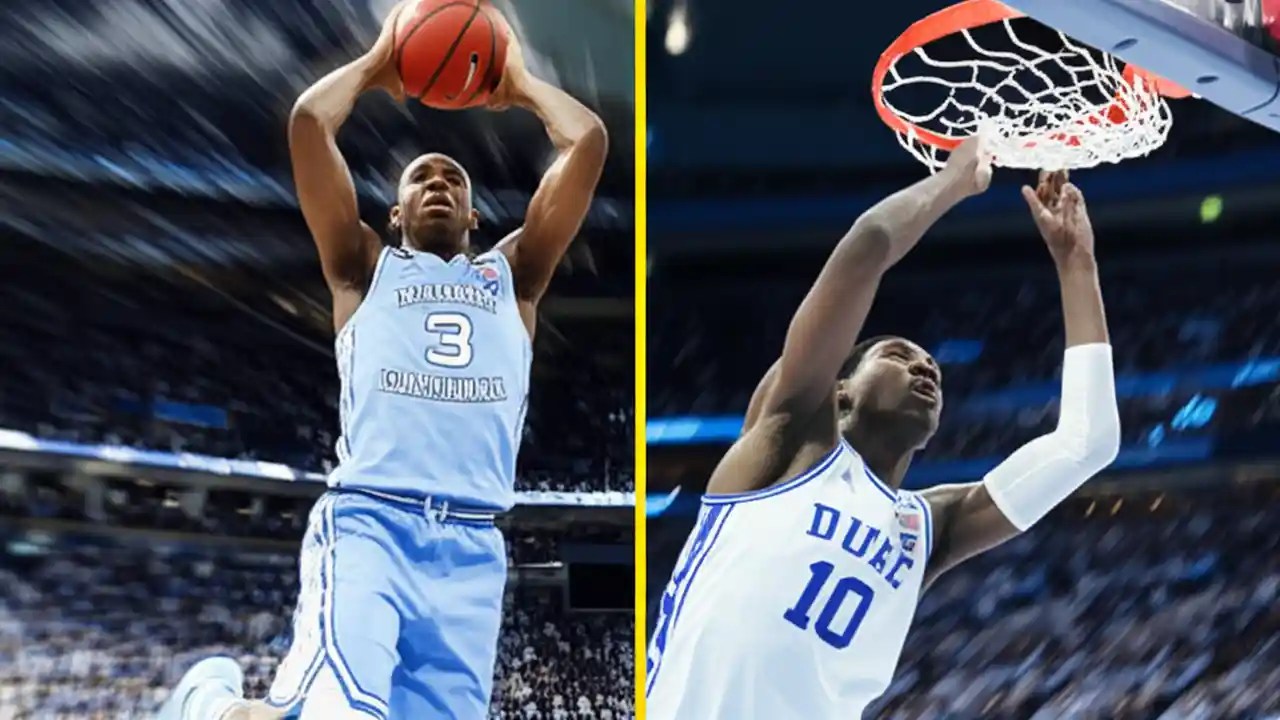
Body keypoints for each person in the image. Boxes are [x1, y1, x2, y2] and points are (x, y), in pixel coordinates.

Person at [158, 3, 607, 719]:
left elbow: (587, 141)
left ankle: (223, 708)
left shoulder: (515, 277)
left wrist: (518, 82)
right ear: (394, 216)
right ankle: (205, 703)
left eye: (453, 180)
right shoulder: (364, 268)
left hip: (473, 549)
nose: (438, 182)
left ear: (475, 219)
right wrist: (379, 63)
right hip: (374, 525)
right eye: (421, 177)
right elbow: (309, 123)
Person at [644, 142, 1121, 719]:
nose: (925, 367)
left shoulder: (929, 528)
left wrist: (1077, 267)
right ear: (841, 388)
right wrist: (950, 183)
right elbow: (865, 248)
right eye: (899, 356)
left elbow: (1087, 443)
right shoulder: (788, 437)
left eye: (933, 368)